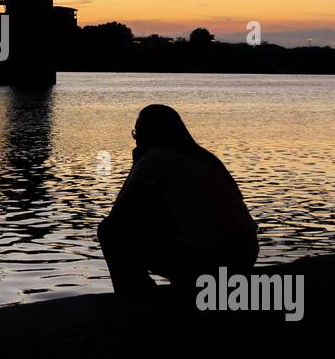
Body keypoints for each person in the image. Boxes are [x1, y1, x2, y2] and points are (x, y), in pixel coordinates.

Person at [98, 105, 258, 297]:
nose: (136, 138)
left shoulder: (155, 159)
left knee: (109, 232)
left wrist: (136, 164)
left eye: (138, 132)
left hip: (209, 259)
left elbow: (119, 216)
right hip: (245, 253)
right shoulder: (205, 158)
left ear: (150, 134)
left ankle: (136, 299)